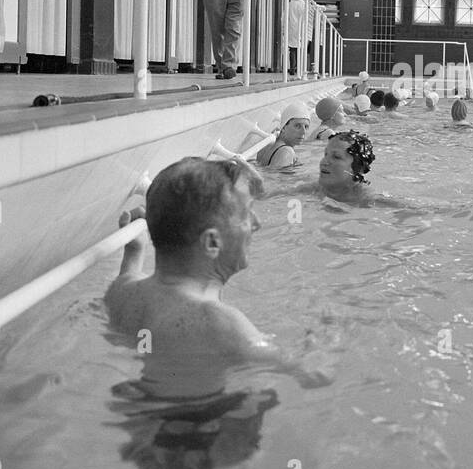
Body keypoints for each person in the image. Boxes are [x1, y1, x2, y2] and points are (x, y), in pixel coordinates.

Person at [106, 157, 329, 385]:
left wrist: (134, 251)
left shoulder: (122, 292)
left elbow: (129, 279)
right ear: (212, 242)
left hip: (141, 399)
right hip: (207, 408)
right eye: (246, 213)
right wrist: (324, 336)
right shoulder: (224, 325)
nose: (257, 223)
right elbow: (314, 376)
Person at [317, 129, 377, 198]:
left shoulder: (367, 200)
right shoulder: (313, 189)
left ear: (359, 168)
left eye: (336, 157)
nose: (324, 162)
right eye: (326, 154)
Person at [255, 101, 312, 168]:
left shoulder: (267, 145)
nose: (303, 132)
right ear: (284, 127)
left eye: (306, 127)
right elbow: (273, 175)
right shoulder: (287, 152)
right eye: (297, 126)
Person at [287, 0, 308, 77]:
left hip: (291, 28)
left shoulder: (290, 4)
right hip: (301, 28)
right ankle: (300, 69)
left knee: (292, 49)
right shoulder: (303, 4)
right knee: (300, 49)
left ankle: (292, 69)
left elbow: (284, 16)